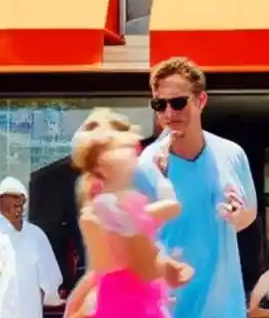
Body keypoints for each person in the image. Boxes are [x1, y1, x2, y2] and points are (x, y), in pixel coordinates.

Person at [136, 57, 258, 318]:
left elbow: (249, 215)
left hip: (224, 306)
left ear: (201, 101)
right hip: (168, 306)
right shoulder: (148, 162)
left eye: (179, 103)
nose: (169, 114)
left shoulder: (232, 155)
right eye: (160, 105)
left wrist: (238, 215)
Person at [74, 106, 193, 318]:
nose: (134, 152)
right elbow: (141, 266)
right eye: (125, 146)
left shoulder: (126, 205)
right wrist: (167, 269)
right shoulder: (102, 211)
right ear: (102, 162)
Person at [0, 177, 64, 318]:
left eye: (20, 204)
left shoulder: (35, 236)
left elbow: (51, 282)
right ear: (0, 205)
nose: (18, 209)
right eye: (12, 205)